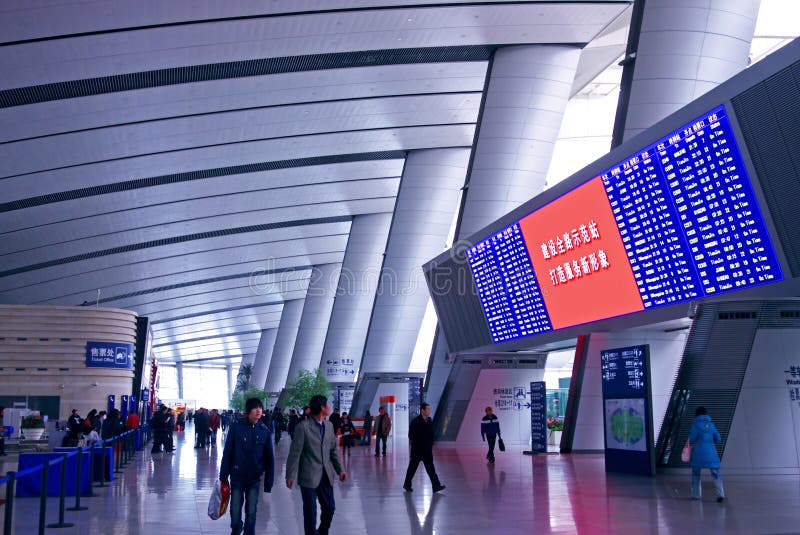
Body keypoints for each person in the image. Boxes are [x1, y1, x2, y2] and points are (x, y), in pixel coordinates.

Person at [286, 395, 346, 535]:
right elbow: (295, 453)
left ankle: (322, 532)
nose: (330, 407)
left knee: (330, 508)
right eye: (328, 404)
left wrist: (340, 470)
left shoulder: (329, 426)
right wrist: (290, 475)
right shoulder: (303, 427)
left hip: (326, 475)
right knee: (310, 513)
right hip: (308, 476)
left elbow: (333, 450)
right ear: (322, 408)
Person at [220, 398, 275, 535]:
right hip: (237, 477)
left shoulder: (264, 431)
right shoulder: (236, 428)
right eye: (255, 408)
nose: (259, 410)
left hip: (254, 479)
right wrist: (223, 476)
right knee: (235, 512)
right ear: (248, 411)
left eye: (260, 408)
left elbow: (270, 459)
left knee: (251, 512)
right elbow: (228, 452)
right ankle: (236, 528)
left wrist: (268, 483)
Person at [403, 402, 445, 493]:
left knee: (431, 469)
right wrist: (420, 442)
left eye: (429, 409)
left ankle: (436, 486)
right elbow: (411, 435)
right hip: (417, 450)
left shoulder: (429, 421)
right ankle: (407, 484)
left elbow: (431, 434)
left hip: (427, 450)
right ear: (422, 410)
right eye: (428, 409)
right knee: (412, 468)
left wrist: (431, 443)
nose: (429, 411)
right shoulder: (415, 422)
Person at [688, 406, 725, 502]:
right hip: (711, 453)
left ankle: (696, 495)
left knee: (696, 474)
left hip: (698, 453)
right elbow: (718, 438)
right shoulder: (711, 425)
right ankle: (720, 494)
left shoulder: (695, 425)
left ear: (696, 414)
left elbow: (691, 439)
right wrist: (710, 443)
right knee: (716, 474)